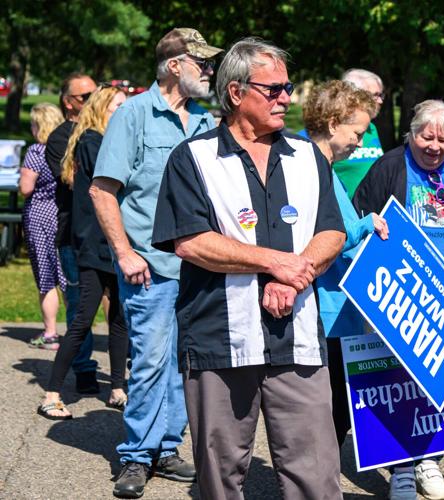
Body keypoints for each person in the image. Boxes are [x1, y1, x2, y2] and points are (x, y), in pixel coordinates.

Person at [151, 37, 345, 500]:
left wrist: (294, 275)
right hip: (221, 338)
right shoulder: (193, 158)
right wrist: (277, 263)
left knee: (316, 474)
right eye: (273, 89)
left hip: (297, 340)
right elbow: (192, 241)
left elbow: (332, 232)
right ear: (236, 93)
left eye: (288, 87)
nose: (286, 97)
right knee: (220, 476)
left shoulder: (306, 156)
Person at [91, 28, 221, 498]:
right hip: (150, 267)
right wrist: (124, 253)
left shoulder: (205, 123)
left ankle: (167, 446)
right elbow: (102, 190)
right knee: (148, 362)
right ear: (174, 66)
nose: (208, 71)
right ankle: (136, 455)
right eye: (201, 63)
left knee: (184, 365)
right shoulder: (134, 115)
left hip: (198, 268)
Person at [356, 99, 444, 500]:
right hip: (405, 288)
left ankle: (430, 460)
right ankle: (401, 468)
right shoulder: (389, 166)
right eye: (426, 136)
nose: (435, 146)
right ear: (411, 134)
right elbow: (360, 217)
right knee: (401, 381)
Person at [300, 79, 390, 448]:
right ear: (334, 123)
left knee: (336, 408)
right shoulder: (312, 166)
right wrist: (367, 226)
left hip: (337, 307)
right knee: (331, 408)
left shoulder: (321, 165)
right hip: (326, 309)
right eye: (357, 131)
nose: (360, 140)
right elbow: (326, 235)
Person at [37, 86, 129, 420]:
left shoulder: (104, 140)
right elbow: (116, 183)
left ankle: (118, 388)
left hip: (116, 243)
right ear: (103, 108)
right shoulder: (93, 141)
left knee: (119, 319)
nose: (124, 110)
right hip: (94, 243)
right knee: (82, 319)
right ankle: (52, 393)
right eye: (118, 105)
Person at [41, 73, 99, 392]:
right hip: (75, 233)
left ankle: (122, 373)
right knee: (80, 303)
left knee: (123, 304)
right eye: (85, 96)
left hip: (114, 232)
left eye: (96, 94)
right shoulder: (61, 137)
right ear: (69, 102)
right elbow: (74, 180)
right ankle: (84, 367)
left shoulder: (107, 132)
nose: (92, 101)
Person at [18, 103, 66, 348]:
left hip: (39, 214)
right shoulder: (66, 148)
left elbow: (26, 189)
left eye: (33, 123)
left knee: (46, 276)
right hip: (62, 213)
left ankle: (50, 333)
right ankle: (79, 334)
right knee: (66, 274)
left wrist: (20, 177)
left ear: (40, 125)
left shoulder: (36, 152)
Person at [332, 68, 385, 197]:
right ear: (353, 96)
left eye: (381, 95)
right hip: (342, 212)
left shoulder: (372, 128)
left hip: (369, 213)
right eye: (375, 95)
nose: (380, 101)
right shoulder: (333, 129)